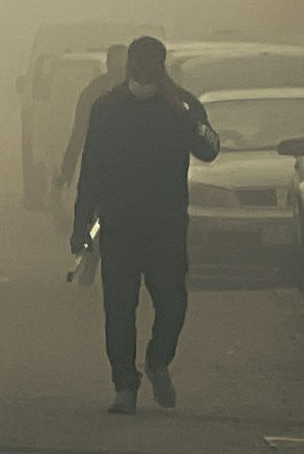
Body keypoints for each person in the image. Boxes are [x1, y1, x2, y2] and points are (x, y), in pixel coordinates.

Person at [69, 35, 218, 412]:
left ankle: (157, 361)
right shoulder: (107, 108)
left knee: (173, 303)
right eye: (138, 63)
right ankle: (124, 386)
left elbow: (210, 150)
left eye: (152, 64)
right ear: (128, 66)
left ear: (161, 66)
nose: (144, 71)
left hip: (166, 226)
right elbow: (91, 170)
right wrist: (81, 223)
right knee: (119, 309)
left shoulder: (180, 106)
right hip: (119, 226)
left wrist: (189, 119)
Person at [54, 42, 127, 206]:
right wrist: (67, 171)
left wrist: (67, 171)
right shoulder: (94, 92)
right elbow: (79, 132)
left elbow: (78, 133)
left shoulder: (94, 91)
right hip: (106, 167)